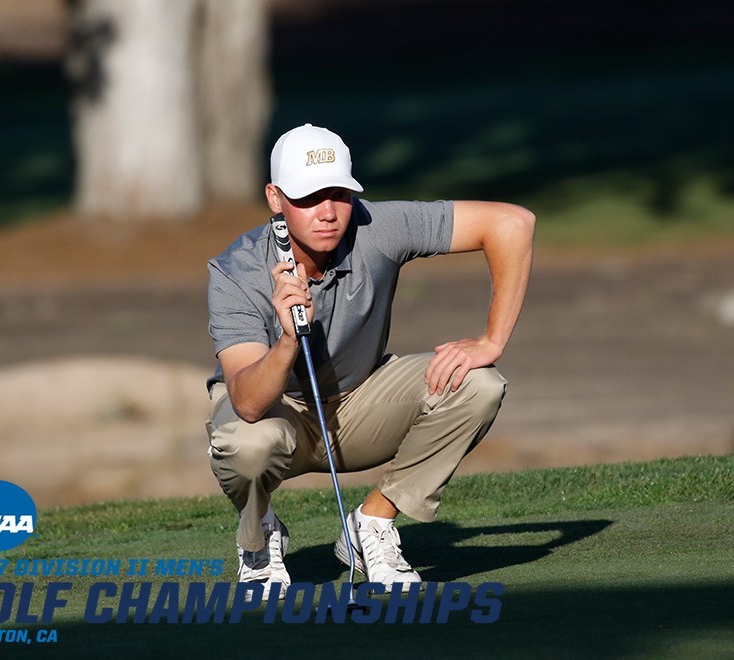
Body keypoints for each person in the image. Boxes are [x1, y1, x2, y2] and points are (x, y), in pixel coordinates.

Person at [205, 123, 535, 598]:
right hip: (278, 415)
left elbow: (512, 223)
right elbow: (250, 404)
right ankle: (259, 537)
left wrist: (492, 339)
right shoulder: (236, 270)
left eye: (339, 194)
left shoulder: (373, 226)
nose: (327, 212)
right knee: (245, 443)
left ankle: (372, 524)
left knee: (478, 384)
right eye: (307, 197)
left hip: (362, 403)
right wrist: (286, 340)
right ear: (275, 199)